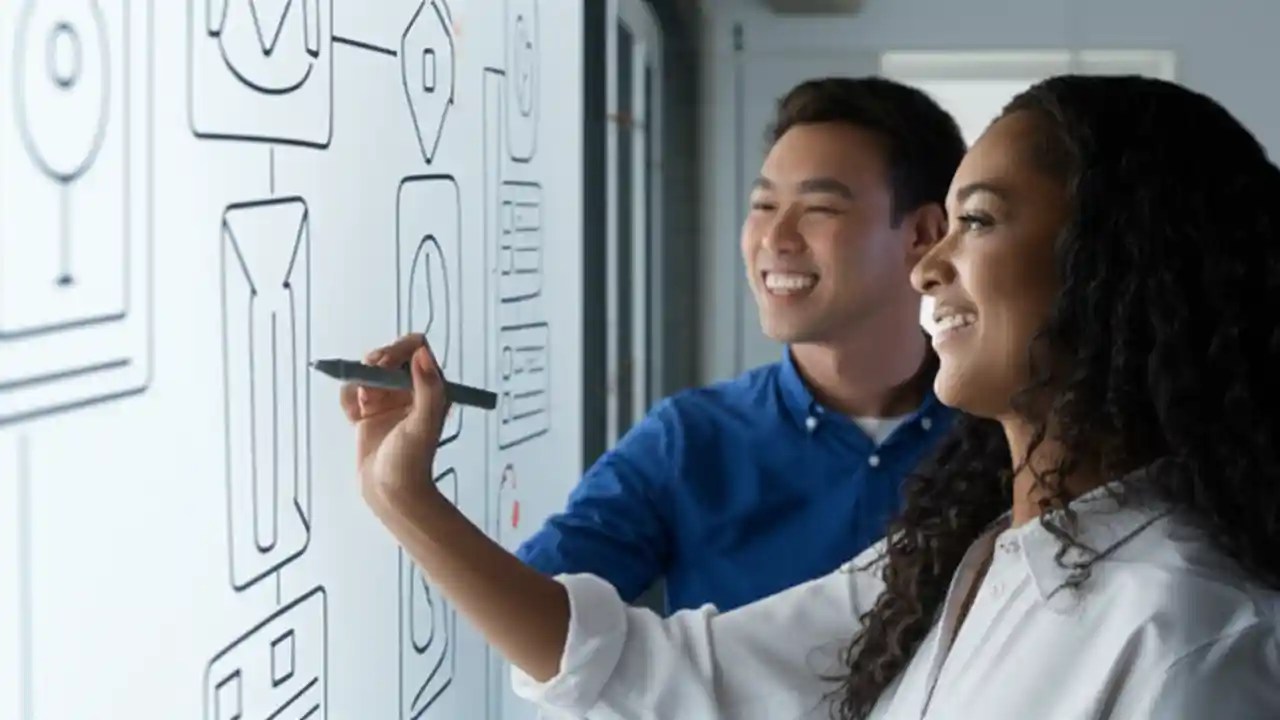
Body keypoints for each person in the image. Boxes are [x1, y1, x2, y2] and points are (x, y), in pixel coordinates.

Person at [341, 74, 1280, 719]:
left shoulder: (1196, 636)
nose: (932, 264)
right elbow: (650, 670)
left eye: (978, 222)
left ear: (1121, 265)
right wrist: (402, 496)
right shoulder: (972, 546)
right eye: (763, 203)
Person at [515, 77, 967, 615]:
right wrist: (405, 491)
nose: (776, 238)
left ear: (923, 233)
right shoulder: (689, 441)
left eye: (819, 208)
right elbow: (533, 614)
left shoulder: (1009, 434)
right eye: (763, 205)